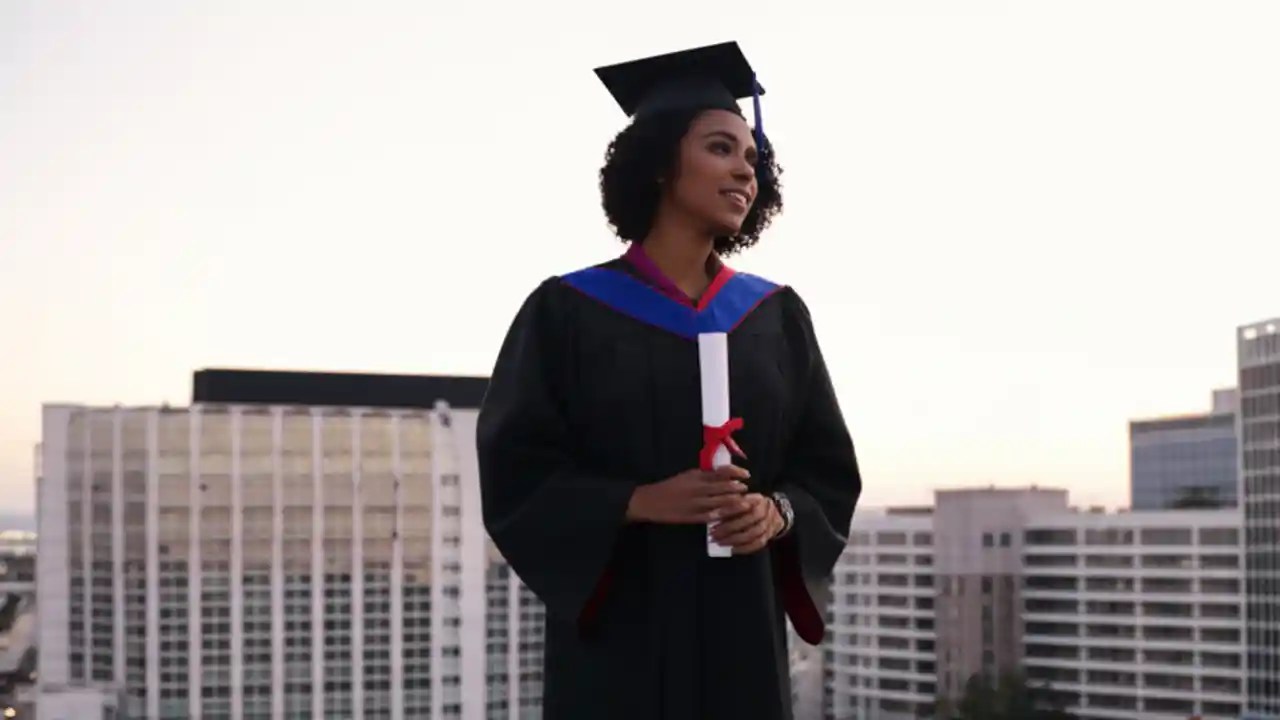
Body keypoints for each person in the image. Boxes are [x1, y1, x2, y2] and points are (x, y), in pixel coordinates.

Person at [477, 41, 862, 720]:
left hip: (743, 640)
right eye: (720, 148)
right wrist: (638, 501)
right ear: (658, 163)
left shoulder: (775, 316)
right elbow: (516, 475)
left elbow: (825, 471)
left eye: (753, 158)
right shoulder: (566, 311)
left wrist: (777, 513)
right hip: (618, 648)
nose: (746, 171)